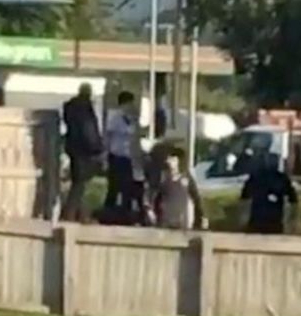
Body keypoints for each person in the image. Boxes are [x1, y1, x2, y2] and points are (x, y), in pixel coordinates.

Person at [61, 83, 103, 222]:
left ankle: (80, 213)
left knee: (78, 182)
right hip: (85, 150)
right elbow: (88, 129)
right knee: (80, 183)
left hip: (73, 147)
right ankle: (72, 214)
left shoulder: (70, 107)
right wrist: (97, 147)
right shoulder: (84, 108)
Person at [103, 91, 143, 222]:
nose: (132, 106)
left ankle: (125, 212)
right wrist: (105, 154)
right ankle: (109, 212)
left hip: (127, 157)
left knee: (127, 186)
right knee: (114, 186)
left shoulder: (132, 118)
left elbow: (135, 137)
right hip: (116, 155)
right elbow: (108, 136)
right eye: (130, 103)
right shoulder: (115, 116)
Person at [241, 153, 298, 235]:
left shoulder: (255, 177)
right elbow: (293, 199)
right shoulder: (282, 178)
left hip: (258, 220)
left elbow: (244, 197)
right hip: (274, 220)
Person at [149, 148, 206, 230]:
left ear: (178, 161)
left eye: (173, 159)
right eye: (169, 159)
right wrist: (152, 211)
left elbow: (196, 197)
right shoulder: (162, 179)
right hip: (167, 220)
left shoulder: (187, 178)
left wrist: (201, 216)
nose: (170, 162)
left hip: (184, 219)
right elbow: (155, 197)